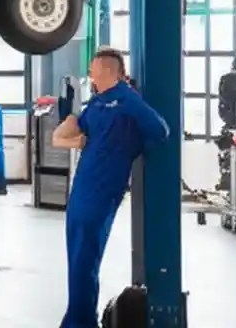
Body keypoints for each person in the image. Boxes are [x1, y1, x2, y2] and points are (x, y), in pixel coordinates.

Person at [52, 48, 170, 328]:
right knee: (76, 258)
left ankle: (80, 323)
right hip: (82, 187)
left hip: (104, 189)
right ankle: (78, 318)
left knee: (86, 259)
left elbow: (160, 130)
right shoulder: (96, 103)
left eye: (93, 70)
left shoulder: (129, 101)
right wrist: (68, 130)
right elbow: (73, 129)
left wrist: (131, 149)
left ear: (107, 71)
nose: (90, 75)